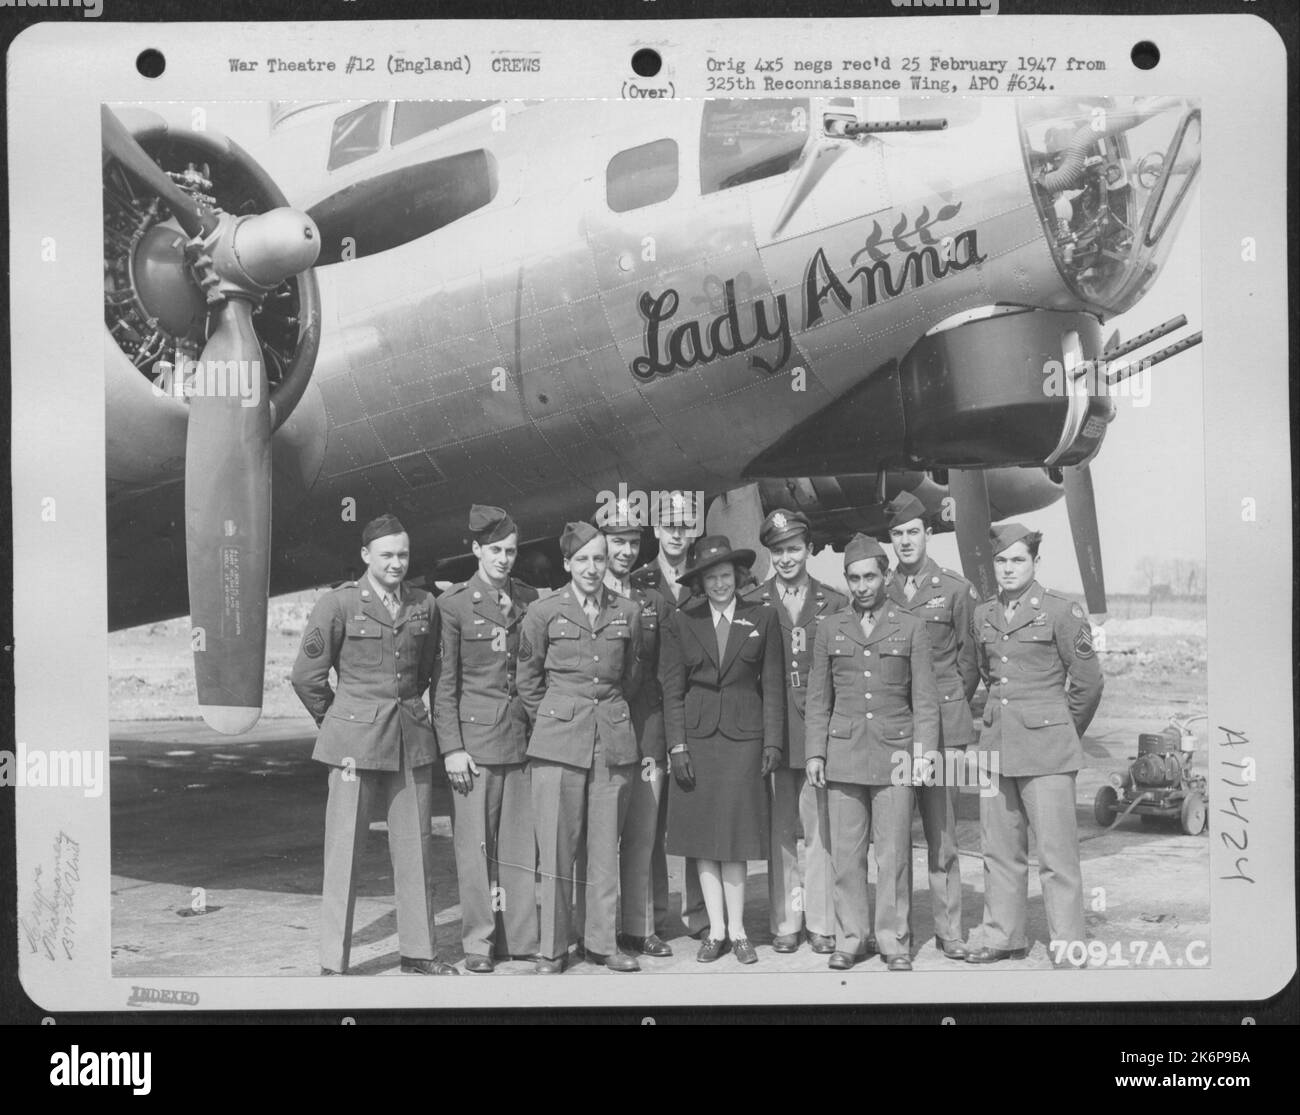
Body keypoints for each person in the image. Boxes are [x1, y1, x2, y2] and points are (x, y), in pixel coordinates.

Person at [291, 513, 457, 976]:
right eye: (387, 555)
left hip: (410, 738)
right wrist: (339, 722)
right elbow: (306, 676)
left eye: (403, 554)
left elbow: (426, 672)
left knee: (416, 847)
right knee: (344, 849)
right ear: (367, 556)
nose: (397, 563)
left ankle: (419, 953)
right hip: (352, 745)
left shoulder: (426, 604)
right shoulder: (338, 604)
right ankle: (334, 962)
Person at [965, 524, 1103, 967]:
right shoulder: (983, 614)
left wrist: (1061, 732)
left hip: (1048, 753)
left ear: (1035, 563)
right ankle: (1004, 935)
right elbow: (990, 679)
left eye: (1017, 560)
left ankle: (1067, 941)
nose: (1008, 569)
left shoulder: (1063, 612)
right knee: (999, 850)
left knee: (1057, 857)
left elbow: (1087, 683)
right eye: (1001, 561)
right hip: (997, 746)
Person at [804, 534, 941, 972]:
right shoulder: (829, 628)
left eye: (870, 577)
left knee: (894, 855)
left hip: (895, 755)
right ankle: (850, 937)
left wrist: (924, 754)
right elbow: (817, 700)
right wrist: (815, 754)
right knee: (845, 857)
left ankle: (893, 940)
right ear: (846, 581)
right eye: (854, 578)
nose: (862, 586)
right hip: (843, 756)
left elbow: (925, 699)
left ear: (885, 577)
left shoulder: (911, 627)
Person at [517, 522, 643, 974]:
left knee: (605, 848)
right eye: (583, 560)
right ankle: (552, 948)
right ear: (567, 564)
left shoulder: (627, 611)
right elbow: (527, 681)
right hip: (558, 744)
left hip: (611, 740)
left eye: (599, 558)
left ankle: (602, 943)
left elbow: (629, 676)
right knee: (555, 849)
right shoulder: (543, 611)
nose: (592, 568)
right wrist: (557, 718)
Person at [665, 535, 785, 965]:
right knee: (703, 840)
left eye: (726, 576)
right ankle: (714, 930)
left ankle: (738, 931)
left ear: (737, 576)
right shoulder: (683, 621)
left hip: (744, 739)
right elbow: (672, 691)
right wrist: (676, 745)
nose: (720, 585)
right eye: (711, 578)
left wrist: (773, 742)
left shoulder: (763, 617)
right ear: (700, 582)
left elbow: (772, 685)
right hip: (696, 739)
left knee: (735, 839)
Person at [433, 504, 539, 973]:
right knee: (475, 850)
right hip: (473, 749)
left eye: (511, 550)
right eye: (495, 549)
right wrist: (452, 748)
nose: (504, 558)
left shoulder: (529, 599)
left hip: (520, 742)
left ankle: (519, 938)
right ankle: (478, 943)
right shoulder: (454, 605)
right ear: (476, 549)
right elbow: (444, 686)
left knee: (519, 849)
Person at [740, 509, 846, 956]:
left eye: (794, 549)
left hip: (818, 731)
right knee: (779, 832)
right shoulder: (755, 602)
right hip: (774, 731)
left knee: (820, 831)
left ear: (808, 549)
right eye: (778, 550)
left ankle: (821, 922)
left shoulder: (833, 601)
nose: (786, 558)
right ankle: (786, 921)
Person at [883, 491, 981, 960]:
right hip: (896, 729)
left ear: (927, 533)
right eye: (898, 534)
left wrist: (945, 712)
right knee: (895, 837)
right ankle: (898, 933)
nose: (906, 541)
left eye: (913, 532)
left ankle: (950, 930)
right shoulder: (880, 590)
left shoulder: (955, 589)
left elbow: (969, 663)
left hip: (943, 732)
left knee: (942, 834)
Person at [596, 502, 685, 960]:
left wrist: (672, 737)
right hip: (601, 725)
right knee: (598, 830)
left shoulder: (653, 600)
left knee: (644, 831)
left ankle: (641, 926)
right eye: (617, 542)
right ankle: (595, 929)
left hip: (647, 722)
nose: (626, 551)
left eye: (633, 543)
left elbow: (668, 672)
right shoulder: (585, 590)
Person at [630, 491, 707, 936]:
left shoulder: (705, 581)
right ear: (657, 530)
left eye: (685, 525)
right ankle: (654, 918)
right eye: (669, 525)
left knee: (695, 817)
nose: (677, 533)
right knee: (650, 824)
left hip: (697, 716)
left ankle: (698, 914)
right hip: (653, 718)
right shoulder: (640, 583)